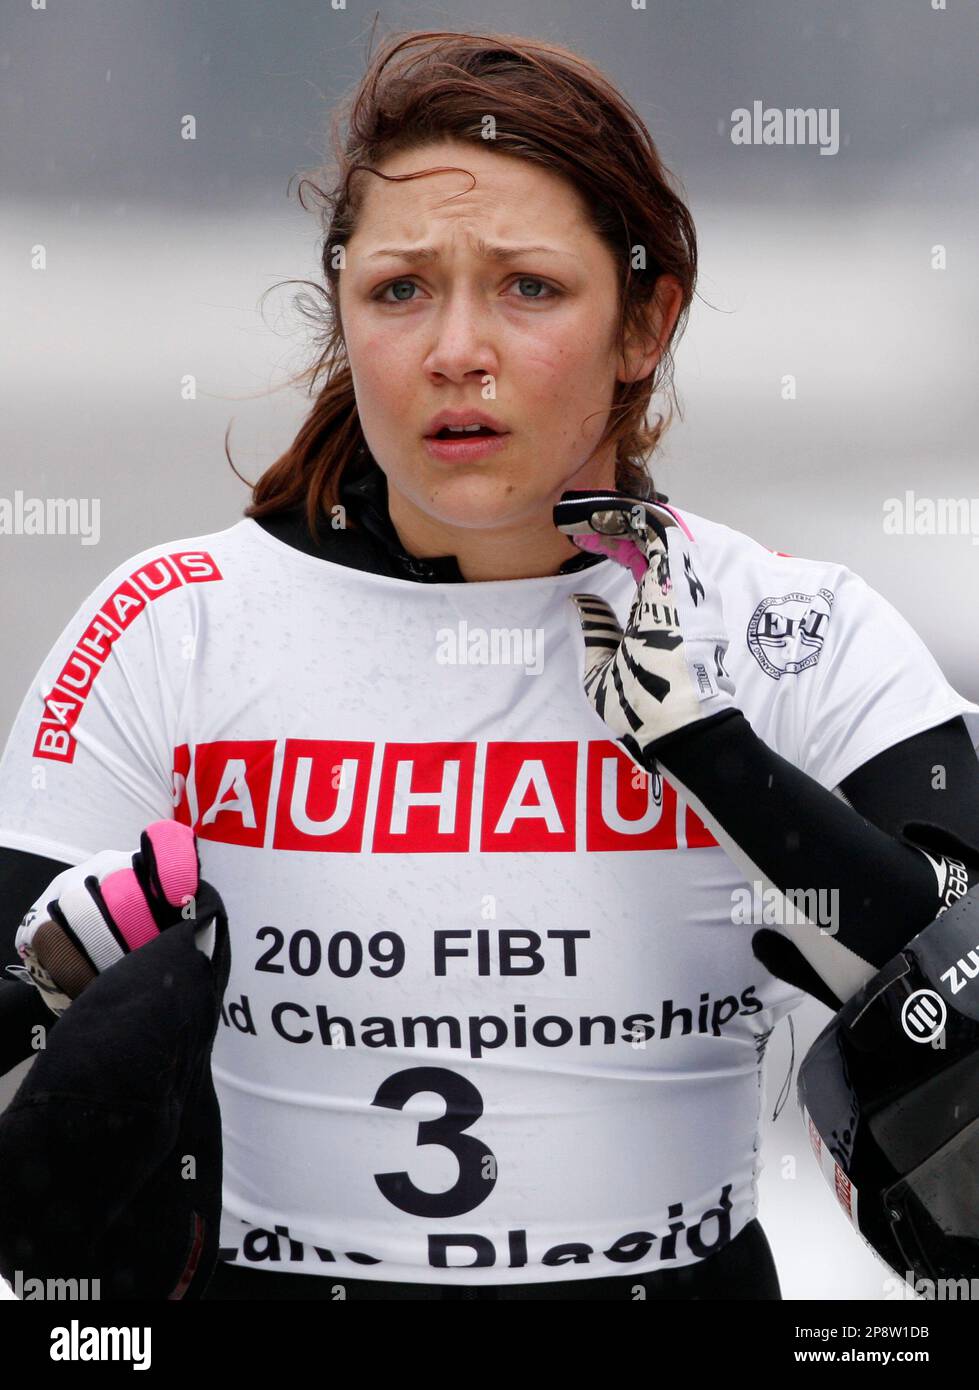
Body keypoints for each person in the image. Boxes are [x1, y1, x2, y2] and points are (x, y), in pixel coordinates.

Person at [1, 29, 978, 1302]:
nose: (456, 349)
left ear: (645, 319)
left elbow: (963, 1068)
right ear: (342, 313)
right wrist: (53, 1030)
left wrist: (726, 768)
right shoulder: (166, 626)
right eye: (400, 289)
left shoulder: (793, 625)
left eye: (527, 287)